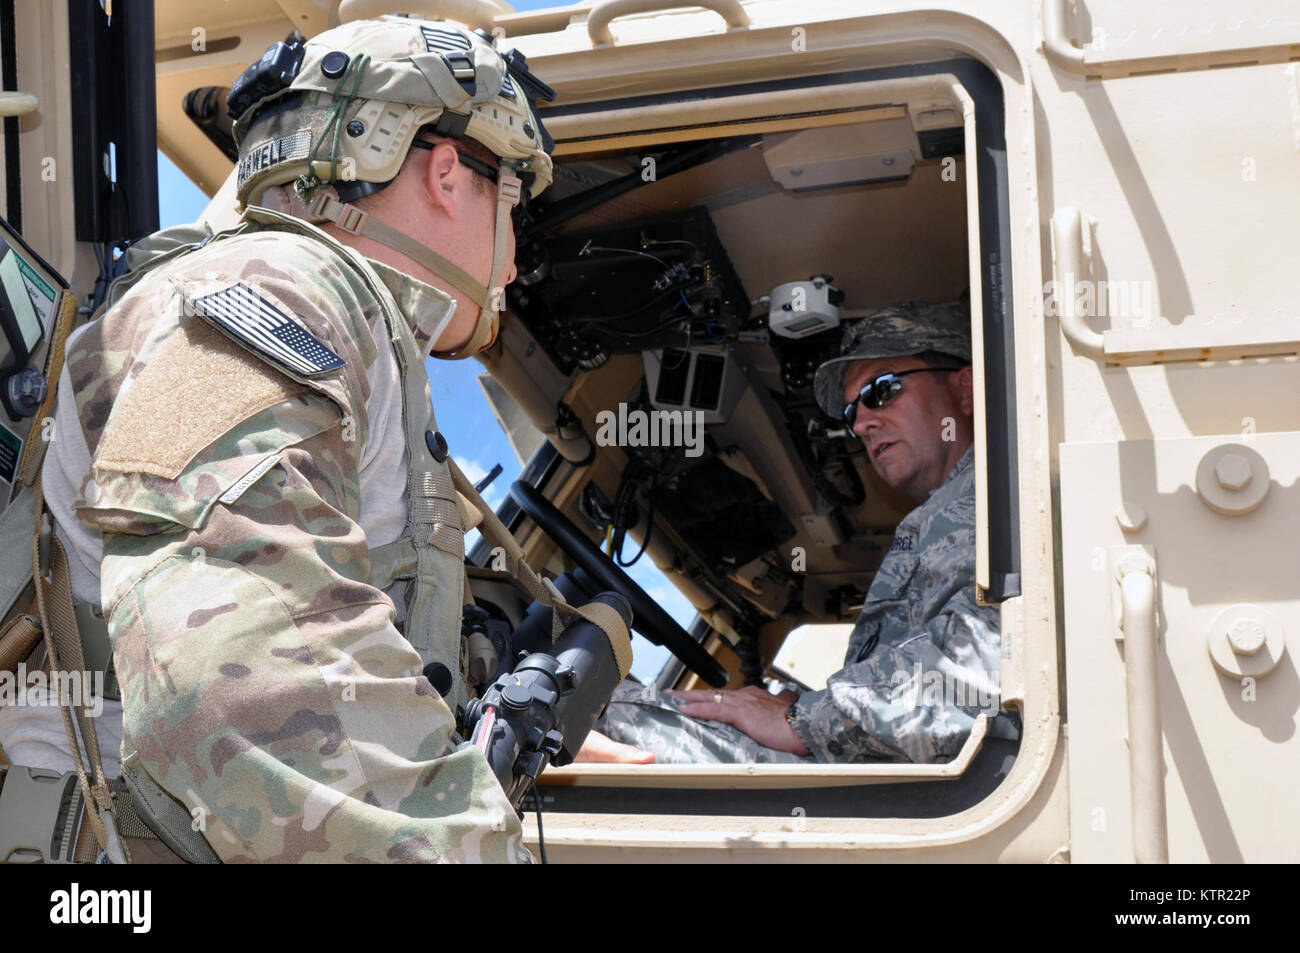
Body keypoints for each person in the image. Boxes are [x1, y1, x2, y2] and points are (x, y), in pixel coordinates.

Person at [0, 18, 557, 863]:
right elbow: (241, 667)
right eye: (512, 204)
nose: (511, 263)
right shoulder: (284, 288)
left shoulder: (288, 303)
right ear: (448, 173)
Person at [582, 300, 1011, 765]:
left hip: (912, 798)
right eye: (851, 415)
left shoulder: (1000, 497)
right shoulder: (958, 507)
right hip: (891, 783)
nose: (862, 423)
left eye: (881, 390)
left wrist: (803, 720)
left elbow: (981, 673)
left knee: (586, 712)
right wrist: (801, 709)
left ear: (965, 390)